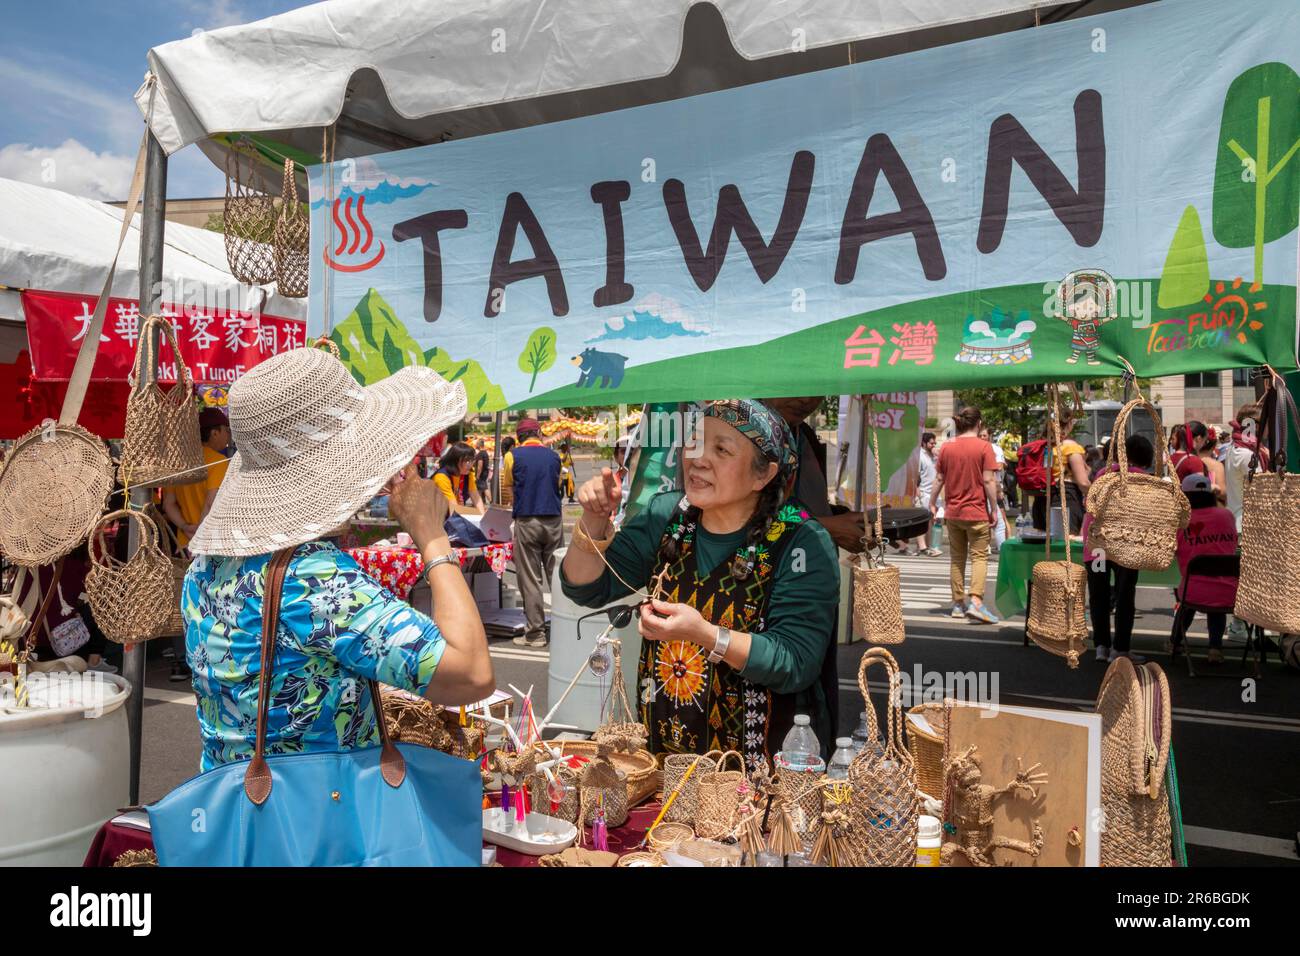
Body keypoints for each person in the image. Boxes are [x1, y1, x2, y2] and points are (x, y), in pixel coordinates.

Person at [181, 347, 493, 772]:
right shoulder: (315, 579)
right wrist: (432, 536)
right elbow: (471, 673)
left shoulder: (203, 566)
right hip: (318, 818)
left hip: (234, 808)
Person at [560, 399, 839, 765]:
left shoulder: (800, 540)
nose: (698, 459)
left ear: (764, 475)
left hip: (759, 780)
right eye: (694, 442)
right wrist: (594, 519)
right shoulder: (668, 516)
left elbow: (794, 661)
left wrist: (705, 635)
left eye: (721, 449)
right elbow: (583, 586)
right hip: (665, 766)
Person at [161, 406, 232, 682]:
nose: (227, 436)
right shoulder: (217, 461)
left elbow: (168, 504)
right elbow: (211, 502)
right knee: (213, 600)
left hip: (183, 542)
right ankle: (212, 658)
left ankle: (182, 659)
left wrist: (185, 527)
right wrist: (199, 530)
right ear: (213, 432)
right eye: (225, 430)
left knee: (184, 600)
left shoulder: (180, 462)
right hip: (210, 541)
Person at [763, 396, 868, 554]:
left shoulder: (805, 434)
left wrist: (847, 518)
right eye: (796, 386)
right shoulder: (743, 435)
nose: (806, 399)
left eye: (817, 391)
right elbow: (743, 518)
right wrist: (826, 526)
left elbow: (805, 504)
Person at [1082, 434, 1154, 662]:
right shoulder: (1144, 479)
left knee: (1099, 595)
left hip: (1098, 544)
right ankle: (1120, 649)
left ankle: (1101, 646)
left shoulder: (1104, 473)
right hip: (1125, 546)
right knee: (1124, 595)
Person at [929, 407, 1000, 624]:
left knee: (957, 559)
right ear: (978, 423)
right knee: (979, 557)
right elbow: (989, 481)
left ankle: (958, 604)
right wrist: (994, 507)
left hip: (953, 512)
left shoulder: (947, 448)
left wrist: (932, 502)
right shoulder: (984, 447)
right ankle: (976, 601)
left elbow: (939, 478)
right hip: (976, 511)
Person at [502, 418, 563, 648]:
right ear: (539, 433)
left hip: (527, 519)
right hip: (554, 520)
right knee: (557, 577)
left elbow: (509, 488)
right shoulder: (554, 456)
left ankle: (536, 634)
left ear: (519, 437)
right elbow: (555, 485)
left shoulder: (512, 456)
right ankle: (565, 627)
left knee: (530, 580)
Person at [1173, 473, 1239, 665]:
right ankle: (1215, 648)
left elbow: (1173, 550)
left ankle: (1174, 643)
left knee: (1192, 594)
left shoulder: (1182, 521)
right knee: (1216, 592)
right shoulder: (1226, 515)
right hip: (1230, 591)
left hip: (1192, 591)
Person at [1030, 415, 1090, 535]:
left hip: (1041, 500)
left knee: (1047, 546)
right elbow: (1083, 482)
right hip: (1065, 498)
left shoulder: (1044, 446)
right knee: (1067, 545)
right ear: (1069, 425)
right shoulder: (1070, 446)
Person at [1223, 402, 1266, 531]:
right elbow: (1262, 491)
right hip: (1246, 525)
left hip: (1236, 521)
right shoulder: (1247, 455)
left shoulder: (1234, 448)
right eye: (1267, 422)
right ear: (1256, 426)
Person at [978, 426, 1009, 553]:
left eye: (984, 435)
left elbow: (1000, 466)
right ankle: (990, 548)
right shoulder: (978, 448)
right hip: (984, 487)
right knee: (993, 522)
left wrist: (999, 490)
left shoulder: (995, 449)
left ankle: (1001, 548)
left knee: (1000, 520)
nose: (982, 438)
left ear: (989, 436)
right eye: (980, 435)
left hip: (994, 487)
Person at [434, 441, 486, 513]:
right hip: (441, 519)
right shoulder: (441, 477)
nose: (470, 464)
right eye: (467, 461)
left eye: (472, 460)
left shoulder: (467, 473)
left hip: (456, 516)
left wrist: (482, 517)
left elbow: (475, 496)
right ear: (455, 461)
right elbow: (454, 509)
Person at [911, 432, 941, 556]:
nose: (933, 445)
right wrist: (917, 491)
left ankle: (925, 546)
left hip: (934, 493)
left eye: (935, 443)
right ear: (924, 443)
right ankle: (923, 547)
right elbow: (915, 475)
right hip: (923, 492)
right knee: (921, 521)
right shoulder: (920, 456)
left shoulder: (934, 457)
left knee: (931, 521)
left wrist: (938, 455)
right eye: (931, 443)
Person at [497, 435, 517, 507]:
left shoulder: (498, 456)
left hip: (498, 482)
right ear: (512, 446)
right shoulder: (511, 456)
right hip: (507, 486)